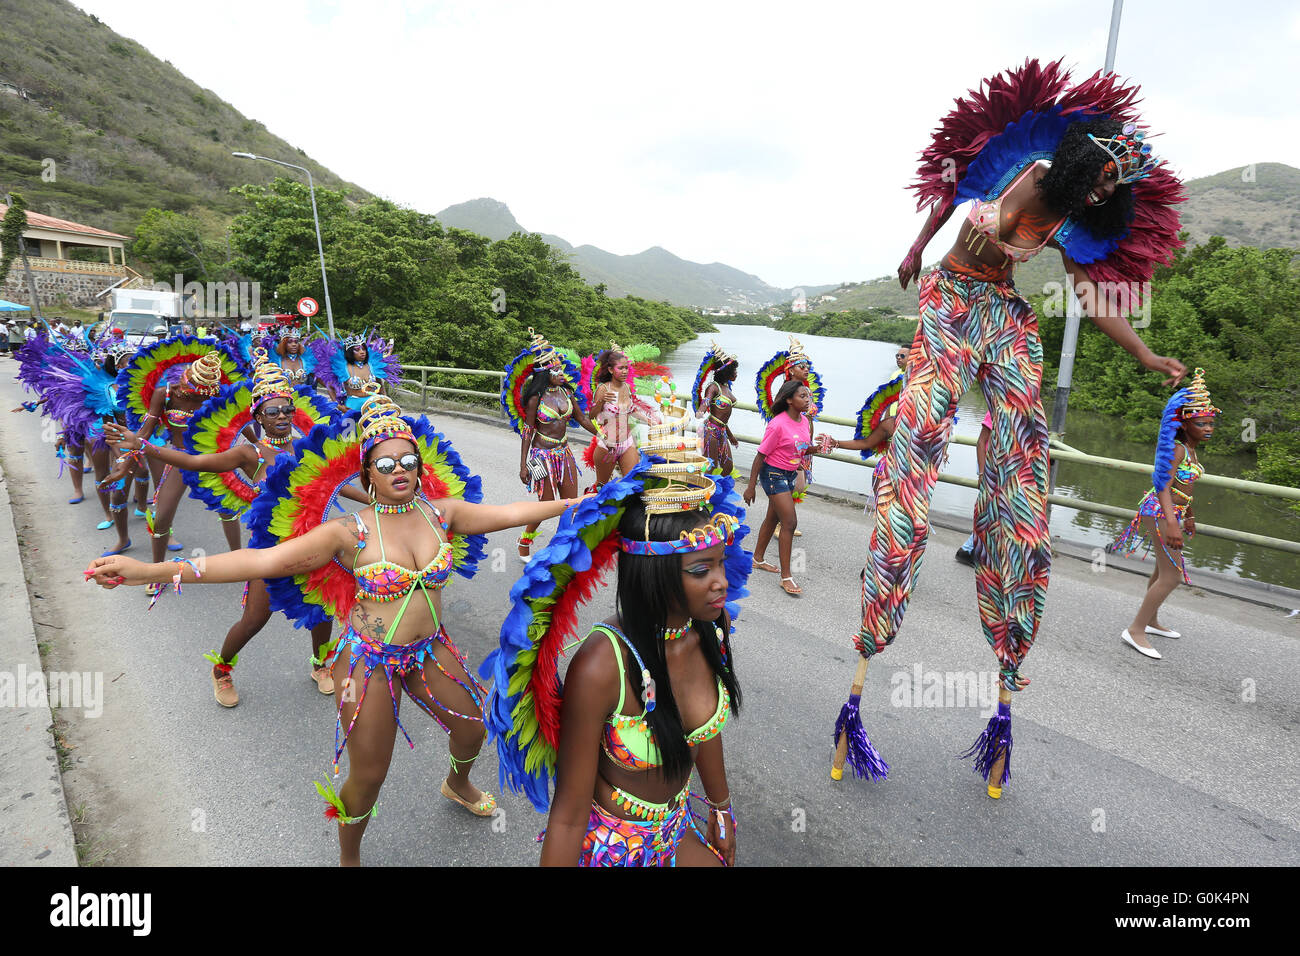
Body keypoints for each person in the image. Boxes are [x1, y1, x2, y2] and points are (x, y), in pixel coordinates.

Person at [849, 58, 1188, 795]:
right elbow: (946, 197)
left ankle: (1007, 665)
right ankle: (869, 646)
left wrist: (1145, 353)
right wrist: (913, 249)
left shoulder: (1070, 221)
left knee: (1020, 478)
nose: (1103, 192)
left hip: (1001, 316)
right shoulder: (1013, 165)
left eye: (1111, 189)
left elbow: (1099, 302)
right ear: (1076, 160)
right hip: (948, 301)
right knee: (916, 458)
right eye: (1100, 177)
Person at [88, 391, 587, 865]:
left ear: (420, 466)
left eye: (409, 462)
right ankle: (350, 857)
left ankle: (457, 782)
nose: (400, 471)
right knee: (368, 777)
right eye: (387, 464)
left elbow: (512, 512)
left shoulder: (443, 513)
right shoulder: (347, 532)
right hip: (369, 663)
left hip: (430, 650)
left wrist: (576, 505)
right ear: (368, 474)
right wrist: (149, 571)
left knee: (476, 727)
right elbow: (259, 559)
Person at [480, 399, 751, 866]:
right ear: (656, 574)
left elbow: (703, 733)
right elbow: (567, 818)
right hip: (614, 848)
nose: (722, 582)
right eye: (701, 569)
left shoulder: (711, 628)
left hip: (676, 830)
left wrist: (722, 808)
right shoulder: (603, 664)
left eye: (721, 564)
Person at [101, 361, 343, 704]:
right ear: (258, 417)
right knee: (255, 619)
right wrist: (144, 447)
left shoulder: (310, 449)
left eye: (287, 409)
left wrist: (399, 499)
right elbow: (197, 463)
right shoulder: (250, 453)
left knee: (322, 610)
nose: (282, 416)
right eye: (272, 411)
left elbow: (341, 484)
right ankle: (222, 669)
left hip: (315, 542)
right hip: (269, 550)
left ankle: (321, 664)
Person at [115, 339, 247, 577]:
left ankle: (239, 563)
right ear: (185, 379)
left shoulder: (218, 396)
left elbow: (239, 423)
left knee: (227, 511)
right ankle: (156, 572)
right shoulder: (164, 394)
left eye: (202, 395)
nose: (196, 397)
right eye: (192, 390)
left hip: (213, 459)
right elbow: (144, 433)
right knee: (162, 516)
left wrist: (260, 447)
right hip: (178, 457)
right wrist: (125, 462)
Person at [1113, 369, 1217, 660]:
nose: (1208, 428)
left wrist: (1190, 515)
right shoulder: (1177, 450)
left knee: (1161, 571)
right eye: (1201, 423)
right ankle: (1135, 630)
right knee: (1172, 577)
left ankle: (1151, 621)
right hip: (1160, 511)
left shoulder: (1192, 450)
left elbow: (1185, 487)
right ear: (1184, 424)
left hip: (1172, 511)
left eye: (1211, 423)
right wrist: (1172, 522)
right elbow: (1163, 487)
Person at [503, 329, 600, 561]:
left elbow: (583, 418)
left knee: (570, 504)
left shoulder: (566, 393)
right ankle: (524, 540)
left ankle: (561, 545)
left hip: (564, 454)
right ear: (544, 373)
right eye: (555, 370)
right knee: (546, 505)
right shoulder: (536, 398)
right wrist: (524, 465)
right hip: (542, 455)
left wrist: (603, 435)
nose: (561, 372)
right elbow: (528, 431)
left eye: (560, 368)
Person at [744, 381, 825, 597]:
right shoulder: (777, 424)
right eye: (802, 396)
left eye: (808, 396)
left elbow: (801, 448)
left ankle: (757, 559)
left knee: (773, 518)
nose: (807, 399)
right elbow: (760, 455)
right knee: (789, 522)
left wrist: (817, 448)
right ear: (789, 399)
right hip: (773, 474)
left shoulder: (805, 421)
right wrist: (750, 487)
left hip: (789, 474)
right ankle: (787, 577)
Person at [589, 344, 661, 489]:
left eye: (626, 368)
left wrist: (649, 420)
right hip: (607, 444)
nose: (624, 371)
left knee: (632, 485)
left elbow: (631, 410)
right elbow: (591, 416)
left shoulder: (626, 387)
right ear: (610, 370)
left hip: (627, 442)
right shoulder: (603, 389)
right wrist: (602, 401)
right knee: (602, 488)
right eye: (620, 368)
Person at [311, 330, 400, 412]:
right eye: (357, 350)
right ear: (350, 352)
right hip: (353, 407)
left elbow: (380, 384)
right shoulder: (342, 367)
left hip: (374, 404)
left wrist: (384, 397)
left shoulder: (372, 364)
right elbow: (329, 386)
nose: (362, 352)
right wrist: (338, 405)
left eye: (363, 349)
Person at [691, 341, 740, 477]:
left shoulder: (726, 388)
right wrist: (701, 410)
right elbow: (706, 401)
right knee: (711, 468)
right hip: (710, 431)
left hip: (722, 431)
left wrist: (731, 436)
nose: (736, 373)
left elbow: (723, 419)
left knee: (727, 467)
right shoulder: (713, 387)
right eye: (734, 370)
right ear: (726, 371)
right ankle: (706, 495)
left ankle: (716, 492)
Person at [954, 411, 994, 566]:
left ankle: (971, 549)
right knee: (987, 509)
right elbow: (981, 441)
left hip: (1002, 467)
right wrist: (982, 473)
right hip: (989, 466)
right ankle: (968, 549)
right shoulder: (995, 408)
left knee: (991, 510)